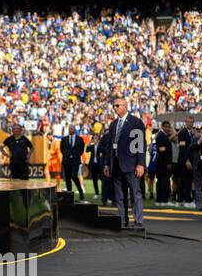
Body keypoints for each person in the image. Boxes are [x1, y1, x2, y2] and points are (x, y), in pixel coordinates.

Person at [97, 95, 147, 229]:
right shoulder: (113, 124)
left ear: (125, 106)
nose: (115, 108)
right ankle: (122, 220)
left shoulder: (135, 122)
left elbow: (140, 145)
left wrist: (141, 163)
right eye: (114, 106)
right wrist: (107, 163)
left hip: (131, 164)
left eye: (117, 105)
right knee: (119, 195)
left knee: (135, 193)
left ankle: (138, 221)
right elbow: (109, 146)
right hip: (116, 164)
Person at [60, 126, 86, 197]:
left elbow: (81, 150)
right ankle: (69, 195)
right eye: (69, 129)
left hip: (75, 161)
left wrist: (74, 155)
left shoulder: (80, 139)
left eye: (72, 129)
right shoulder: (64, 139)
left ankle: (80, 190)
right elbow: (62, 149)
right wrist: (68, 155)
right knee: (67, 178)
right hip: (66, 161)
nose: (70, 130)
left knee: (74, 176)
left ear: (74, 130)